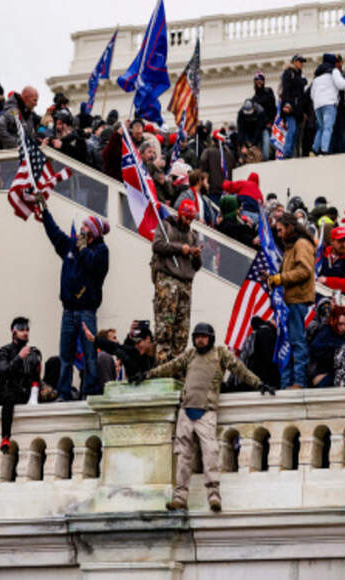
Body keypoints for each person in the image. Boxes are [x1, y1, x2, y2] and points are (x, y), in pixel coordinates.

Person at [130, 323, 270, 513]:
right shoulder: (190, 355)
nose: (200, 340)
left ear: (210, 338)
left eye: (203, 337)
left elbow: (239, 369)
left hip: (207, 411)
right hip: (185, 411)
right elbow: (170, 367)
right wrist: (147, 375)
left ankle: (214, 496)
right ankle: (180, 498)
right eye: (197, 337)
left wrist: (258, 383)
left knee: (210, 454)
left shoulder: (220, 354)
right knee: (183, 456)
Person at [40, 208, 110, 401]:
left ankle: (90, 392)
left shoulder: (101, 251)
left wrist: (83, 249)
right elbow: (56, 235)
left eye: (86, 225)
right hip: (68, 310)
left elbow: (94, 266)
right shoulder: (72, 245)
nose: (81, 228)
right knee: (65, 356)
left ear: (94, 232)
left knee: (89, 355)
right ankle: (63, 393)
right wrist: (45, 214)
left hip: (87, 311)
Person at [265, 213, 315, 389]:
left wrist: (281, 278)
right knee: (285, 343)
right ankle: (286, 383)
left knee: (297, 342)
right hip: (287, 302)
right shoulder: (290, 247)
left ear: (290, 227)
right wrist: (272, 277)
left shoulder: (301, 244)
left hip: (297, 301)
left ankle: (299, 382)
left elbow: (305, 271)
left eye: (280, 230)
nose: (278, 234)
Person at [151, 199, 203, 364]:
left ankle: (177, 368)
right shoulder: (166, 226)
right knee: (164, 328)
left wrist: (196, 256)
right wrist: (181, 248)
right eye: (186, 218)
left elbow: (197, 266)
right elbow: (157, 245)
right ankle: (162, 365)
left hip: (186, 284)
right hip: (168, 279)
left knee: (182, 331)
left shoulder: (193, 236)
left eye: (191, 219)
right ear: (180, 214)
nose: (188, 222)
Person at [0, 317, 44, 452]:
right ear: (13, 332)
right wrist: (19, 357)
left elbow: (36, 375)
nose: (25, 333)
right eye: (21, 330)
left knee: (55, 363)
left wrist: (36, 391)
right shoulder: (5, 351)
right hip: (13, 392)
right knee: (8, 397)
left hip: (31, 391)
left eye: (27, 330)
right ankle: (5, 437)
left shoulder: (33, 352)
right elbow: (3, 373)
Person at [309, 53, 345, 156]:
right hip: (329, 104)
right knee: (328, 128)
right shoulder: (334, 71)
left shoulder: (317, 77)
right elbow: (341, 85)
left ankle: (314, 149)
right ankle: (324, 151)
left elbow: (312, 94)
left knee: (321, 128)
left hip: (318, 106)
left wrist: (318, 101)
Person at [85, 321, 156, 380]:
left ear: (148, 339)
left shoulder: (160, 351)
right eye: (135, 343)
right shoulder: (136, 353)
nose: (136, 346)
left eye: (139, 342)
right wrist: (95, 340)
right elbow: (116, 347)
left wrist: (146, 375)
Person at [309, 306, 345, 387]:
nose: (343, 328)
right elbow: (315, 348)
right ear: (334, 321)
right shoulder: (325, 332)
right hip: (324, 377)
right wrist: (341, 346)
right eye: (340, 324)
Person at [317, 226, 345, 299]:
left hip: (344, 302)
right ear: (332, 242)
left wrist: (327, 281)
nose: (343, 244)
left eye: (344, 240)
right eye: (340, 241)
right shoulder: (323, 255)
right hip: (323, 299)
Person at [279, 55, 308, 158]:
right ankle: (287, 152)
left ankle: (291, 154)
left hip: (297, 109)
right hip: (290, 107)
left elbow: (301, 96)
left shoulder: (299, 75)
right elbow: (286, 90)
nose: (302, 64)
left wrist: (304, 111)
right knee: (292, 129)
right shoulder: (289, 73)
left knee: (295, 132)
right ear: (295, 62)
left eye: (302, 62)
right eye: (300, 62)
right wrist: (287, 104)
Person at [251, 72, 277, 160]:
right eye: (257, 80)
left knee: (269, 144)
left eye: (261, 80)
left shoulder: (268, 92)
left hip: (269, 124)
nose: (259, 82)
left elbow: (273, 108)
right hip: (260, 126)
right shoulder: (254, 99)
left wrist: (271, 121)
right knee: (262, 146)